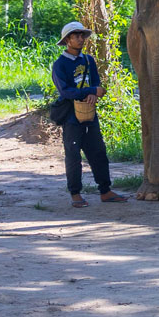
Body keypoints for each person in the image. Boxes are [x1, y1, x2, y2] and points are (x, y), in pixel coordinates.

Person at [50, 21, 126, 208]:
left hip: (90, 115)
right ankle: (75, 194)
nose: (81, 38)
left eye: (82, 35)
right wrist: (91, 91)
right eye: (76, 35)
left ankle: (105, 191)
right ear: (67, 40)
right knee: (73, 156)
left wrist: (93, 93)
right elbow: (66, 92)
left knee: (99, 152)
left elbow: (97, 84)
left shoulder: (89, 60)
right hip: (71, 118)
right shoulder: (60, 65)